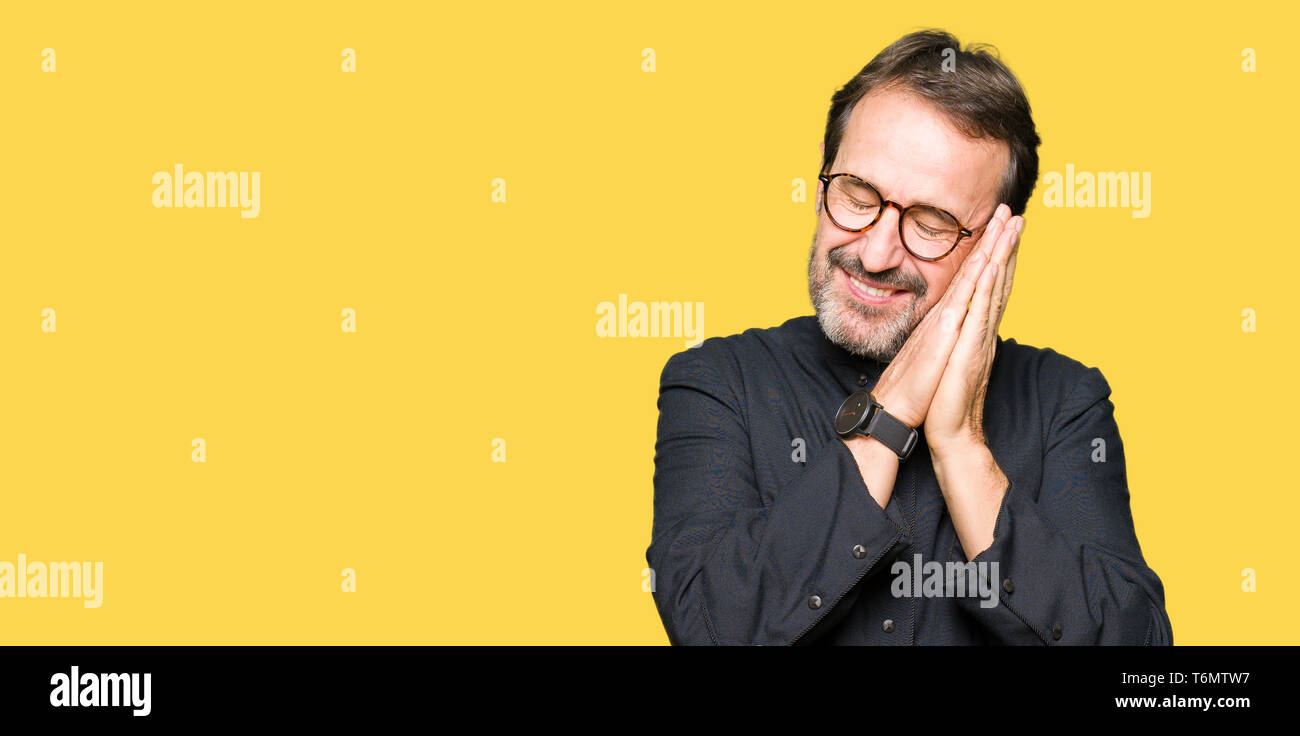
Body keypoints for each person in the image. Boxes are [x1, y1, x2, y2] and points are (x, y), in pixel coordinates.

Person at [646, 29, 1173, 645]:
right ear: (823, 176)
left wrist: (962, 447)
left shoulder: (1065, 402)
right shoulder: (716, 383)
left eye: (930, 223)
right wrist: (889, 419)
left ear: (997, 245)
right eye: (857, 193)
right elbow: (713, 628)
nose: (873, 252)